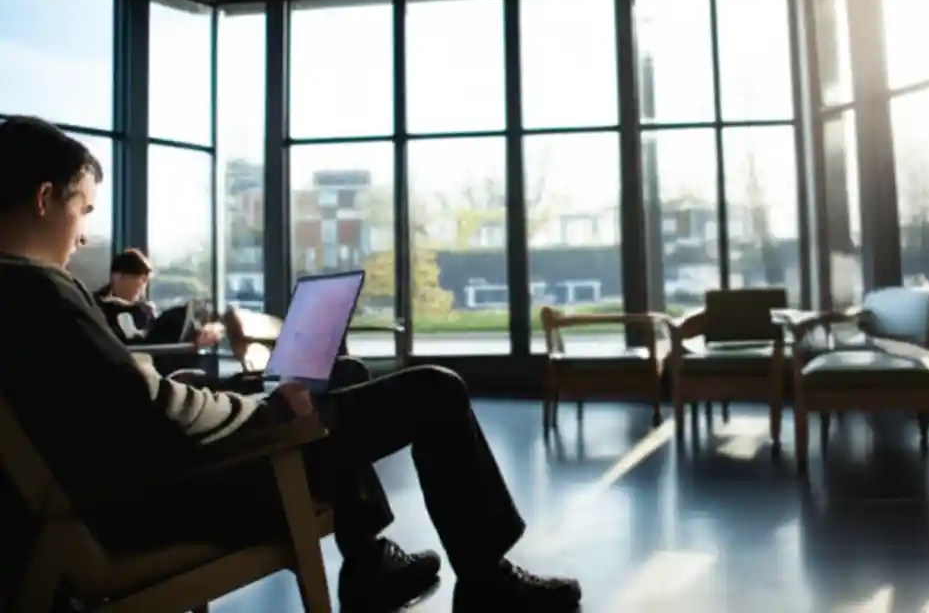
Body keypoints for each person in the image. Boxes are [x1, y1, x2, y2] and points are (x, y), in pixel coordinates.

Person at [0, 116, 581, 612]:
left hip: (140, 485)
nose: (83, 233)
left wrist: (198, 391)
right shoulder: (39, 293)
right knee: (435, 390)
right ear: (46, 199)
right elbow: (145, 412)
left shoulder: (19, 295)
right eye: (83, 208)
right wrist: (262, 410)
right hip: (190, 491)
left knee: (341, 375)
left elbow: (116, 401)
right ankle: (484, 582)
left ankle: (369, 563)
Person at [94, 247, 222, 348]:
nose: (143, 286)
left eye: (146, 281)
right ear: (118, 277)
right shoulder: (96, 307)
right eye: (141, 279)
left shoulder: (144, 310)